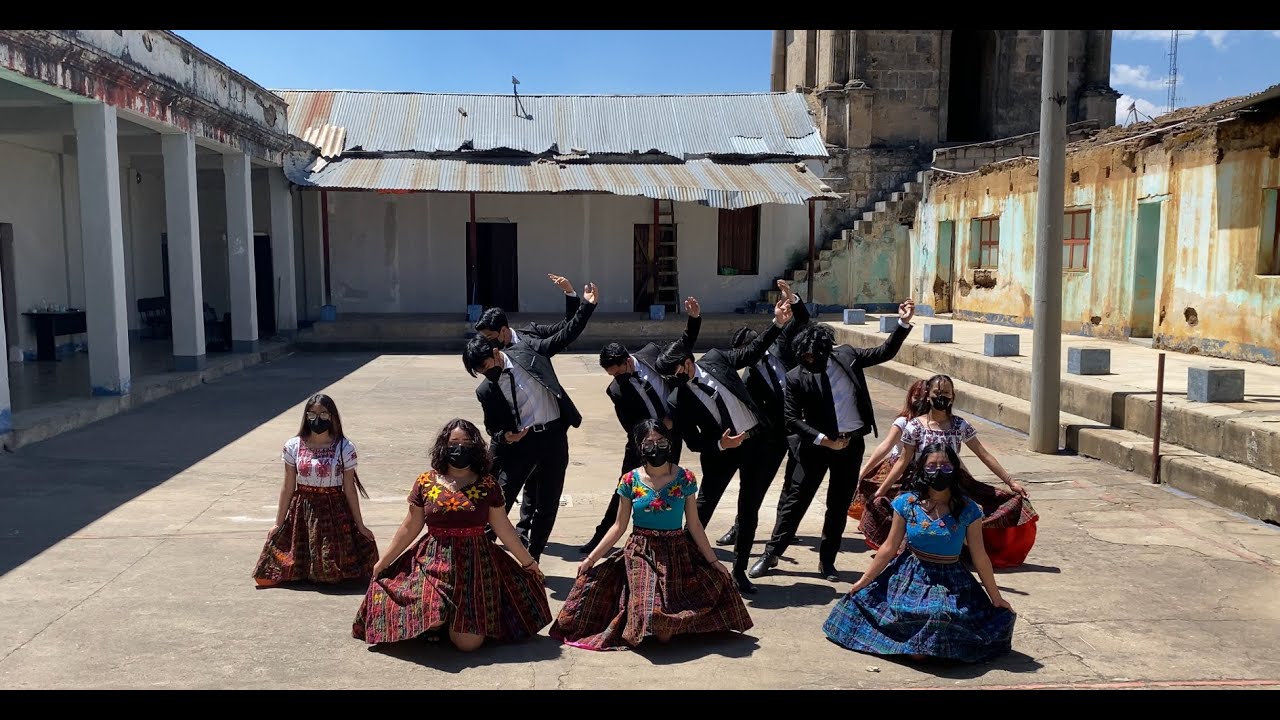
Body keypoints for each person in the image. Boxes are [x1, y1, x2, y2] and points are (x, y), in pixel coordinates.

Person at [749, 300, 916, 583]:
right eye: (804, 358)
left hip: (850, 446)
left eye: (812, 358)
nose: (808, 362)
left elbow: (884, 351)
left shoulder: (847, 356)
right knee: (795, 503)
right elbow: (791, 419)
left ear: (825, 351)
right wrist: (823, 440)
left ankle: (827, 561)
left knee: (837, 506)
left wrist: (902, 323)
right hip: (815, 448)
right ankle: (772, 553)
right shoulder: (796, 377)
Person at [550, 419, 753, 651]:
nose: (656, 447)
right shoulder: (629, 480)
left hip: (677, 551)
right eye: (649, 443)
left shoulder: (685, 478)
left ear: (670, 442)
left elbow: (695, 525)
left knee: (667, 630)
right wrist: (591, 559)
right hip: (641, 552)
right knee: (649, 613)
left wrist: (714, 561)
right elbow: (618, 526)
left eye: (661, 441)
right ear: (640, 447)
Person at [351, 418, 551, 651]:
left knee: (468, 645)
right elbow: (410, 526)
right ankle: (439, 623)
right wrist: (384, 562)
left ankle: (452, 622)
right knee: (432, 615)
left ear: (476, 447)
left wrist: (529, 563)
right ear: (443, 446)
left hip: (476, 566)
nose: (460, 447)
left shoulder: (488, 484)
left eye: (466, 442)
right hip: (432, 562)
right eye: (454, 442)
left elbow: (504, 527)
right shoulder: (426, 482)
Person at [822, 442, 1016, 663]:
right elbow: (889, 547)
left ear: (955, 469)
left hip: (950, 581)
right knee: (867, 607)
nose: (938, 472)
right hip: (909, 575)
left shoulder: (969, 509)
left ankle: (923, 648)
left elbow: (980, 557)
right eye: (931, 466)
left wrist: (996, 597)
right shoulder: (906, 504)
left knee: (941, 614)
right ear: (922, 470)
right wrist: (863, 581)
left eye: (945, 466)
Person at [656, 297, 793, 594]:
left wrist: (777, 324)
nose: (673, 381)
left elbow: (751, 351)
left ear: (687, 363)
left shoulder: (717, 359)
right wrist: (720, 443)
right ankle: (682, 566)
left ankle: (739, 570)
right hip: (720, 453)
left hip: (755, 443)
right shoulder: (678, 399)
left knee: (749, 508)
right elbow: (693, 441)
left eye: (675, 373)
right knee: (702, 508)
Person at [463, 282, 599, 561]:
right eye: (480, 372)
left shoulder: (529, 352)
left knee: (547, 504)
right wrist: (505, 436)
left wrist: (586, 305)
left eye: (486, 367)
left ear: (495, 351)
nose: (486, 374)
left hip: (553, 438)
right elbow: (492, 427)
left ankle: (532, 560)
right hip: (522, 443)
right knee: (499, 499)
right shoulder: (487, 390)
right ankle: (478, 556)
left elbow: (565, 334)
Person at [873, 374, 1038, 568]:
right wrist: (881, 490)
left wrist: (1010, 481)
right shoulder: (914, 426)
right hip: (922, 486)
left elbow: (983, 454)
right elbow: (903, 461)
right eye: (937, 393)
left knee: (972, 516)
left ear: (953, 396)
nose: (941, 397)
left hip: (953, 486)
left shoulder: (960, 425)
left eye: (946, 393)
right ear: (928, 396)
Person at [579, 296, 703, 555]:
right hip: (641, 443)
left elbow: (684, 345)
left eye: (618, 372)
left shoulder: (651, 354)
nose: (617, 378)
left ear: (627, 360)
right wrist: (652, 432)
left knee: (671, 484)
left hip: (672, 437)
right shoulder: (616, 390)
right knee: (623, 489)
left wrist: (694, 319)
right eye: (611, 375)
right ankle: (602, 537)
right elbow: (630, 425)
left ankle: (673, 535)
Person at [715, 280, 811, 548]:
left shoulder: (781, 342)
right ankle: (740, 527)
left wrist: (792, 298)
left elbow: (802, 319)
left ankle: (784, 530)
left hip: (799, 425)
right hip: (771, 435)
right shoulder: (748, 379)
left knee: (794, 483)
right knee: (756, 485)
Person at [253, 393, 378, 587]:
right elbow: (288, 486)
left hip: (333, 508)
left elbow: (349, 488)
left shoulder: (344, 447)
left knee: (329, 572)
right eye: (312, 414)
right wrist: (278, 523)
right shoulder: (293, 446)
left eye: (323, 414)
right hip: (302, 509)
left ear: (332, 417)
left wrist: (360, 525)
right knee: (270, 572)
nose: (317, 419)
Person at [849, 379, 928, 548]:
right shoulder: (903, 422)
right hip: (897, 468)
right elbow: (885, 446)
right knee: (880, 497)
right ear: (910, 398)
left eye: (924, 397)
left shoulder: (935, 423)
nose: (920, 401)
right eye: (916, 396)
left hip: (922, 471)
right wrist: (864, 471)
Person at [473, 273, 581, 347]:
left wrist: (570, 292)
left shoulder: (533, 333)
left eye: (490, 337)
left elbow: (567, 326)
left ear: (503, 330)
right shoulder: (490, 356)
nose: (488, 342)